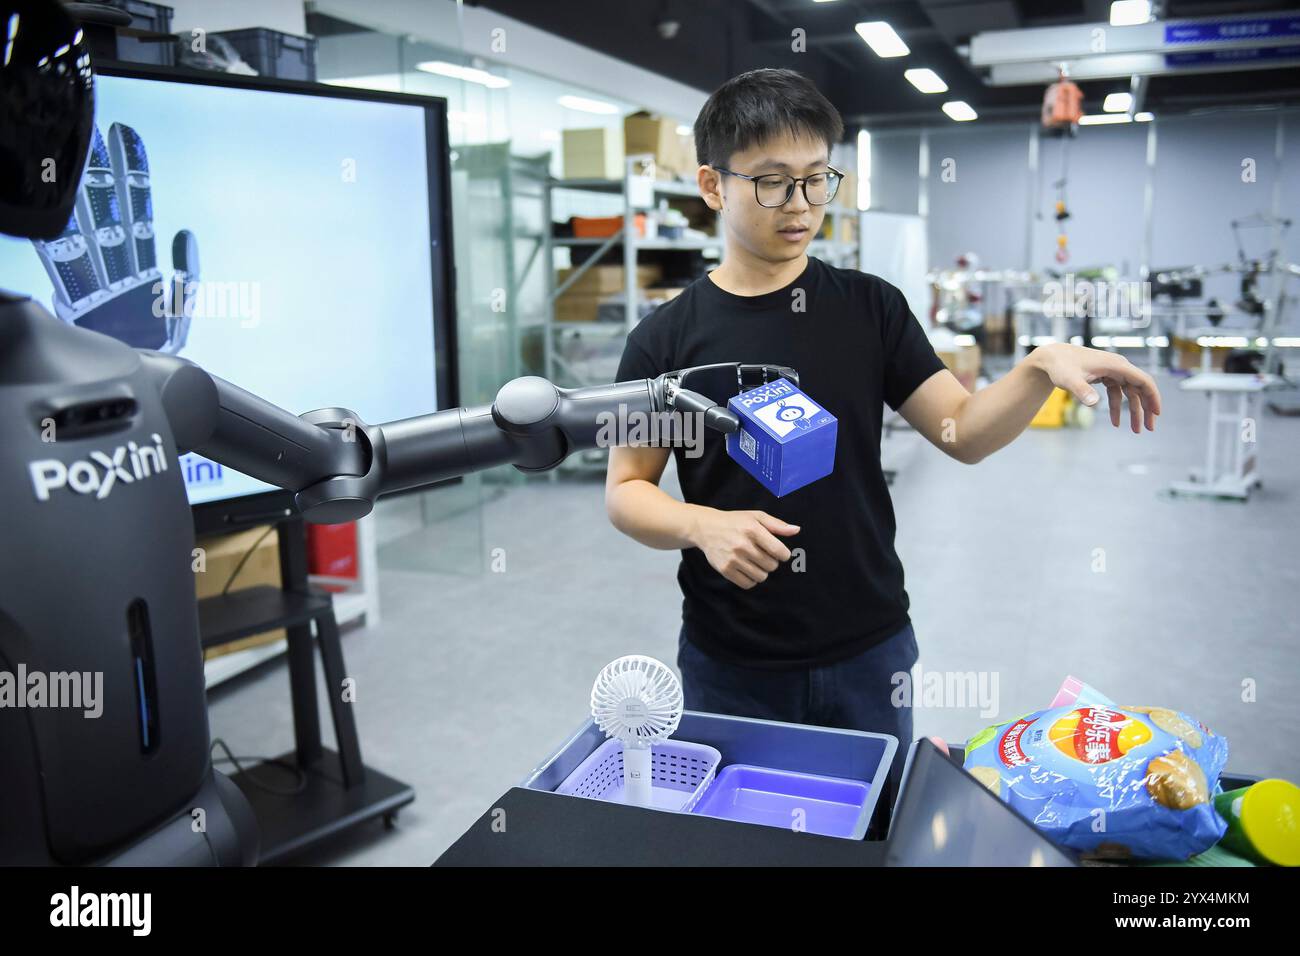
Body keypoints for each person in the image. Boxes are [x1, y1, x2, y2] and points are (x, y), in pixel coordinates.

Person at [605, 68, 1160, 787]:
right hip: (731, 659)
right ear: (713, 186)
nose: (801, 204)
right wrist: (700, 526)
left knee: (872, 835)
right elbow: (626, 489)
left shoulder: (870, 308)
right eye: (772, 181)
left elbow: (961, 433)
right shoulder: (664, 340)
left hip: (868, 649)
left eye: (816, 179)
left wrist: (1038, 367)